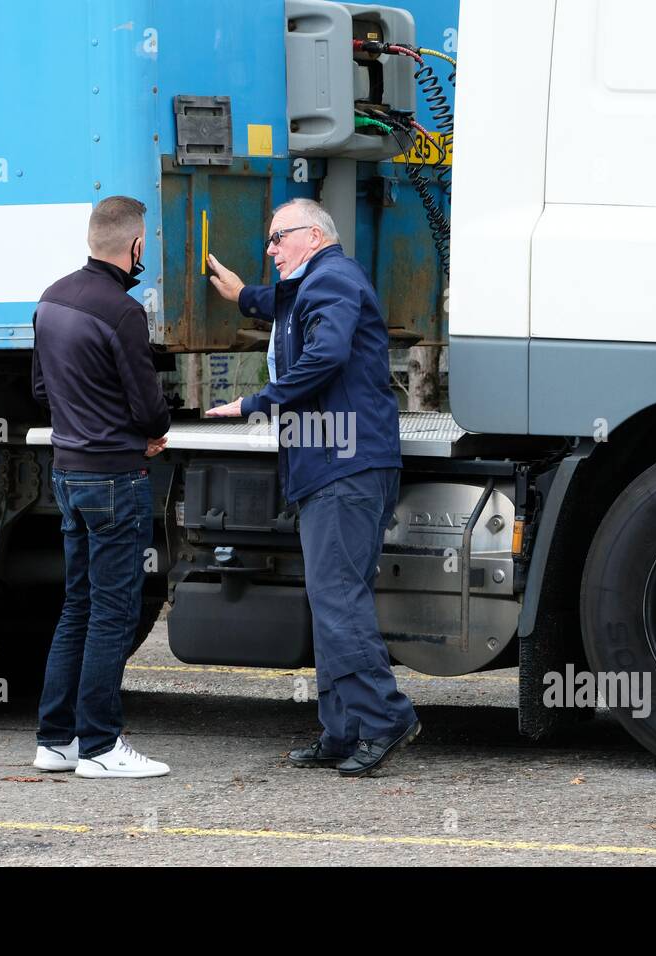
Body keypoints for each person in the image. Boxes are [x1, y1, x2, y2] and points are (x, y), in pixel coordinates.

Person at [206, 198, 420, 777]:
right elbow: (287, 303)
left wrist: (257, 403)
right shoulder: (320, 281)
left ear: (315, 236)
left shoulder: (334, 279)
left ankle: (384, 719)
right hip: (330, 463)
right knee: (331, 599)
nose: (270, 250)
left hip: (342, 465)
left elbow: (326, 353)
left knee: (337, 598)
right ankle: (342, 731)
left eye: (278, 239)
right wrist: (244, 294)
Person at [29, 195, 171, 779]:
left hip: (66, 471)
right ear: (135, 246)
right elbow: (149, 408)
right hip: (115, 475)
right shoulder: (122, 312)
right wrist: (149, 434)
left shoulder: (51, 299)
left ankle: (56, 740)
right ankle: (101, 748)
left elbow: (41, 390)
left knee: (78, 606)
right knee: (114, 610)